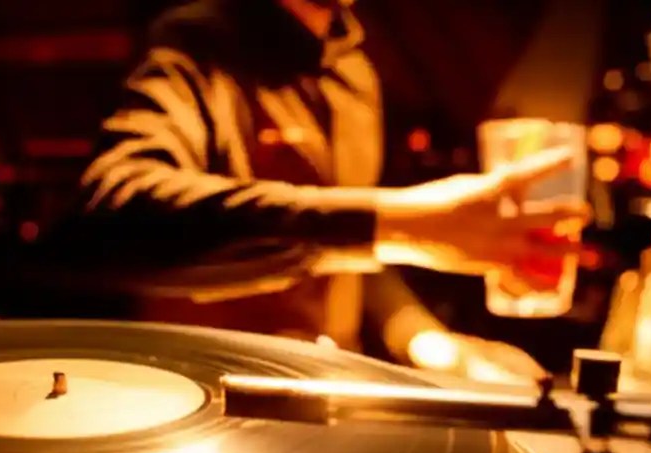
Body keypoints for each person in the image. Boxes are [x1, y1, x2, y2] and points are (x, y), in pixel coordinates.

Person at [66, 0, 587, 384]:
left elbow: (345, 256)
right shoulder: (193, 46)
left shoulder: (356, 71)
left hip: (332, 403)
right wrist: (399, 223)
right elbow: (114, 207)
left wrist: (428, 342)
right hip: (207, 408)